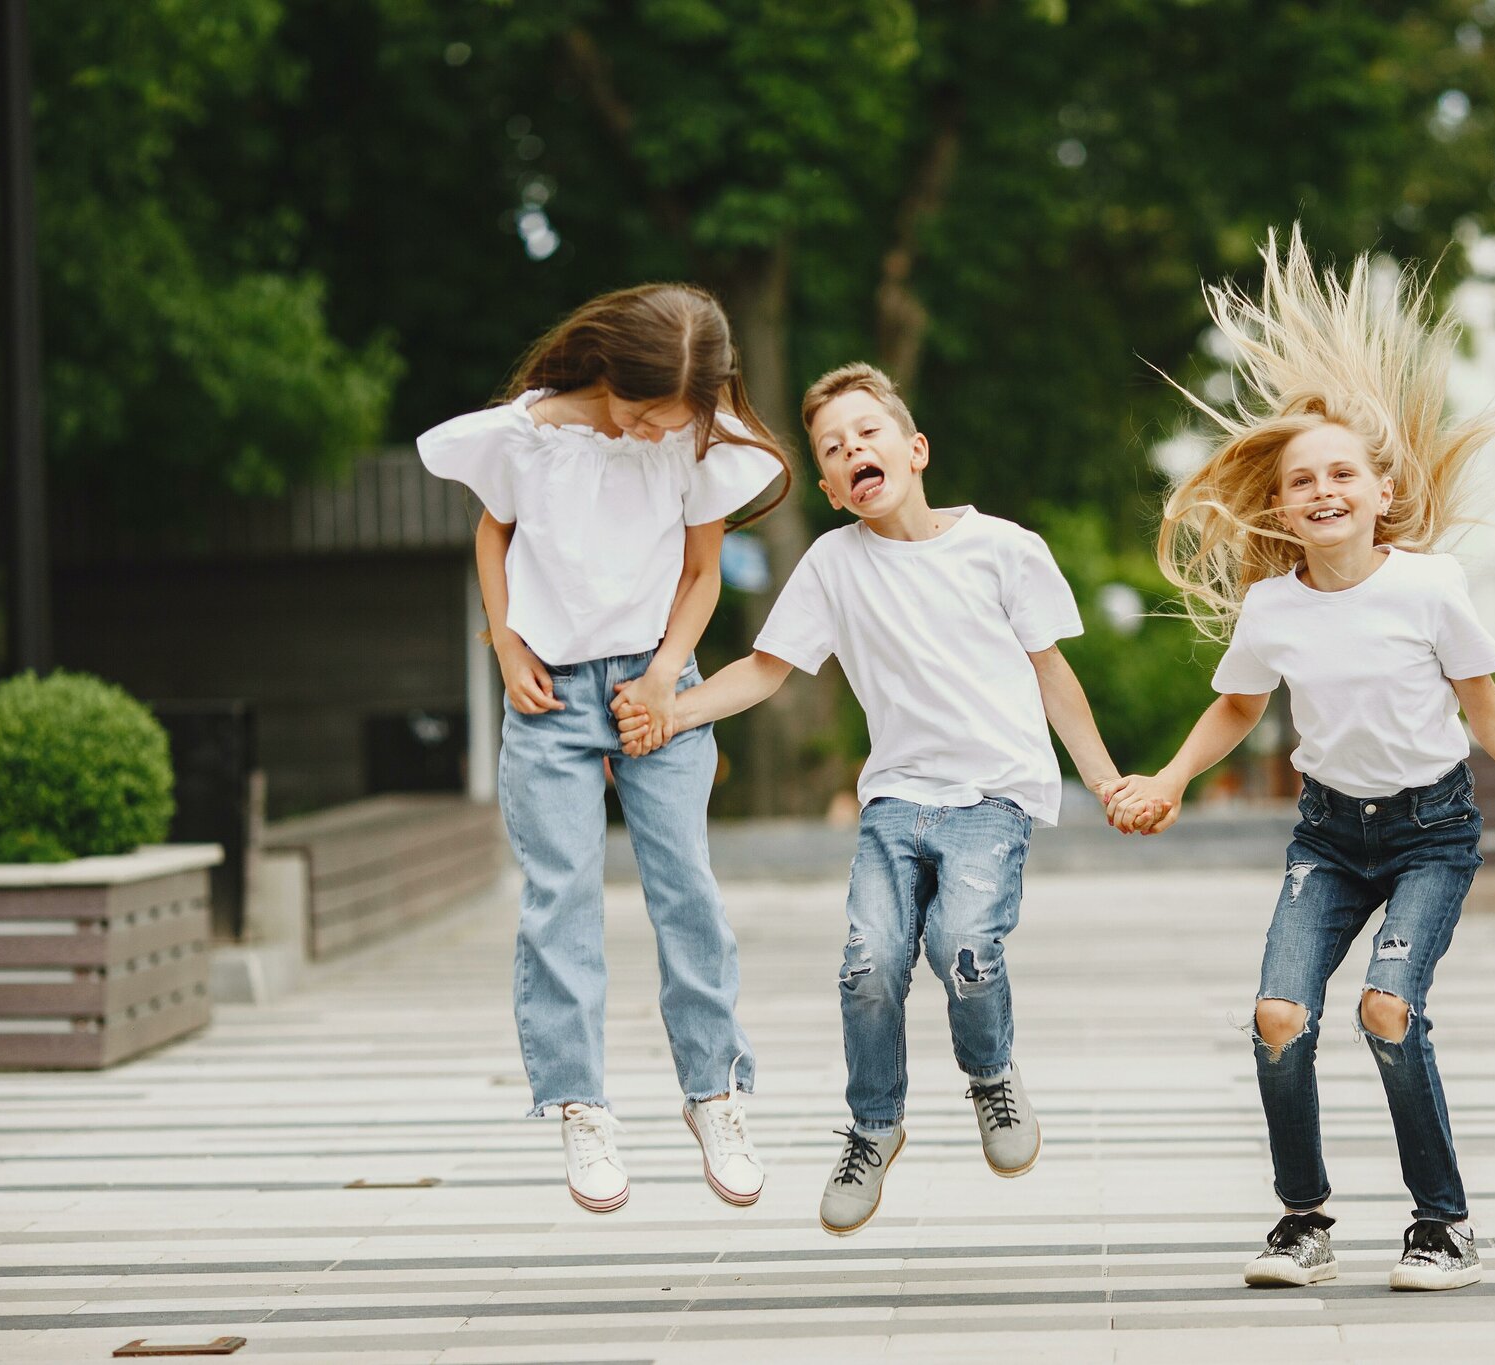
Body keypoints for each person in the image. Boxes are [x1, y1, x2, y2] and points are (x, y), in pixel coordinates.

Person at [1103, 228, 1495, 1293]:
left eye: (1339, 475)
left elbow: (1494, 718)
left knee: (1386, 1009)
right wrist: (1167, 779)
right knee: (1277, 1017)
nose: (1319, 490)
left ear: (1377, 489)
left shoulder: (1428, 588)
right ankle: (1301, 1221)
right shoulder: (1271, 606)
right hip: (1328, 835)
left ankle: (1440, 1225)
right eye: (1299, 480)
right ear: (1279, 507)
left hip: (1429, 836)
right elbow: (1233, 707)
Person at [614, 362, 1131, 1237]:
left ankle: (993, 1076)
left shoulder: (1005, 550)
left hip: (991, 797)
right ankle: (875, 1124)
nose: (854, 448)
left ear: (916, 449)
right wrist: (672, 709)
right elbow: (766, 669)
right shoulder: (832, 565)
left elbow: (1053, 674)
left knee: (966, 946)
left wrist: (1106, 779)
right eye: (833, 447)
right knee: (869, 964)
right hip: (895, 801)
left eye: (868, 432)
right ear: (827, 485)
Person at [416, 283, 790, 1214]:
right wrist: (504, 642)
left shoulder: (690, 437)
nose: (655, 431)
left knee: (686, 890)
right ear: (608, 370)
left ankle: (715, 1092)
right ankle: (580, 1103)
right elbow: (491, 535)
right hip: (549, 688)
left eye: (675, 416)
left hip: (656, 686)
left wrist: (667, 678)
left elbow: (703, 572)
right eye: (643, 410)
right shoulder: (527, 433)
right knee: (560, 900)